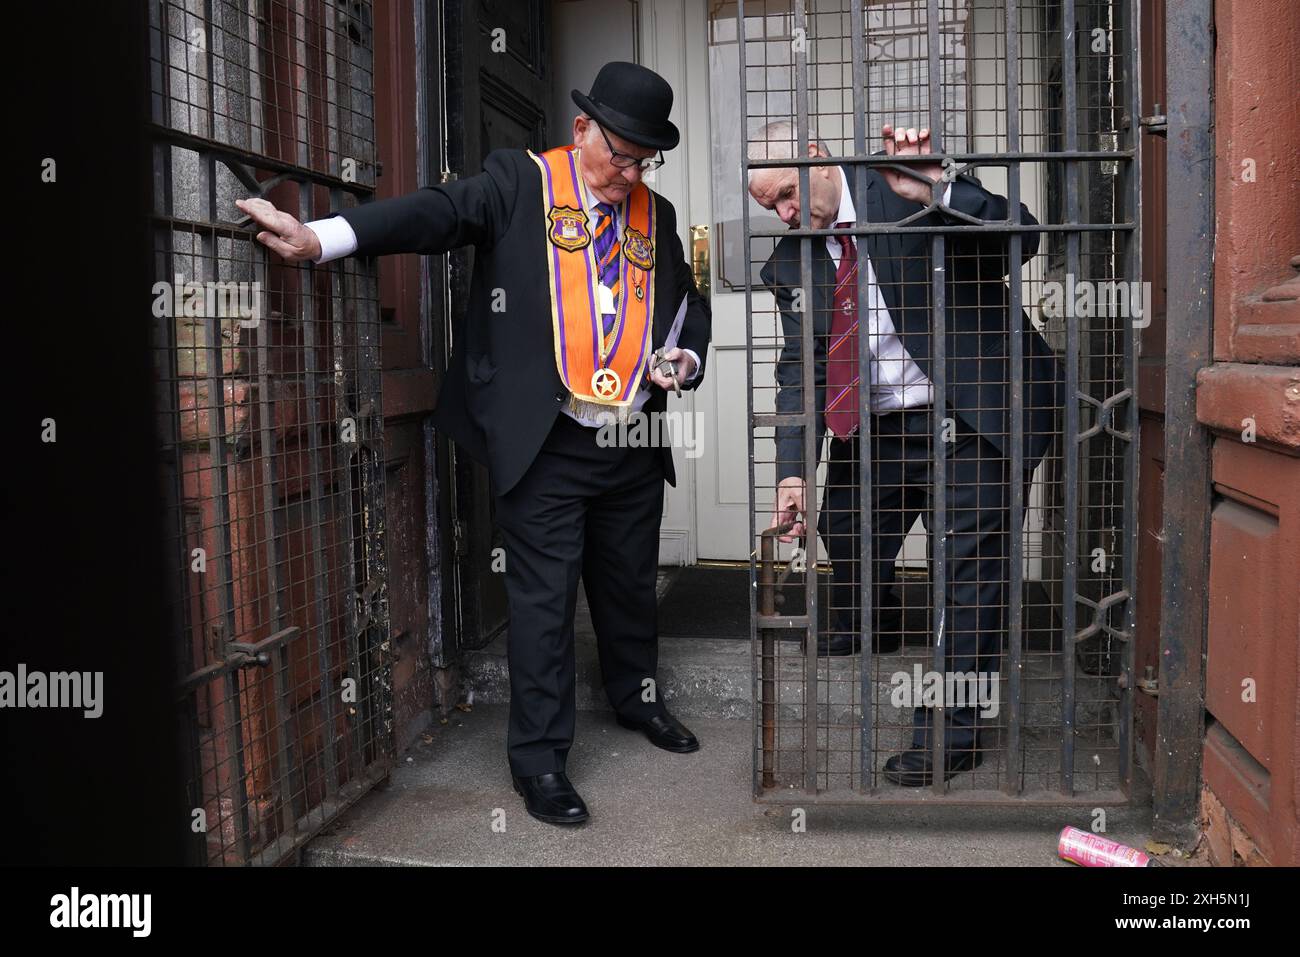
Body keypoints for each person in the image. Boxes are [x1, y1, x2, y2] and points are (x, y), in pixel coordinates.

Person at [238, 61, 712, 825]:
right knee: (544, 605)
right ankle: (540, 763)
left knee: (629, 589)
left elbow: (687, 308)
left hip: (630, 437)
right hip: (547, 444)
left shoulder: (653, 215)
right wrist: (322, 237)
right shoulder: (516, 184)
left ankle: (638, 700)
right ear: (582, 128)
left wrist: (683, 359)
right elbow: (434, 215)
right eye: (619, 154)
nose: (629, 172)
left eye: (642, 160)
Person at [750, 120, 1061, 786]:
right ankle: (876, 621)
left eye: (784, 194)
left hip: (972, 407)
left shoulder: (907, 189)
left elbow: (1024, 236)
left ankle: (952, 733)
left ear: (815, 154)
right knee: (845, 527)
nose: (783, 213)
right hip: (883, 422)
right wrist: (791, 473)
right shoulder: (790, 261)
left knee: (967, 574)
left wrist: (940, 190)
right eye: (770, 207)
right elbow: (798, 365)